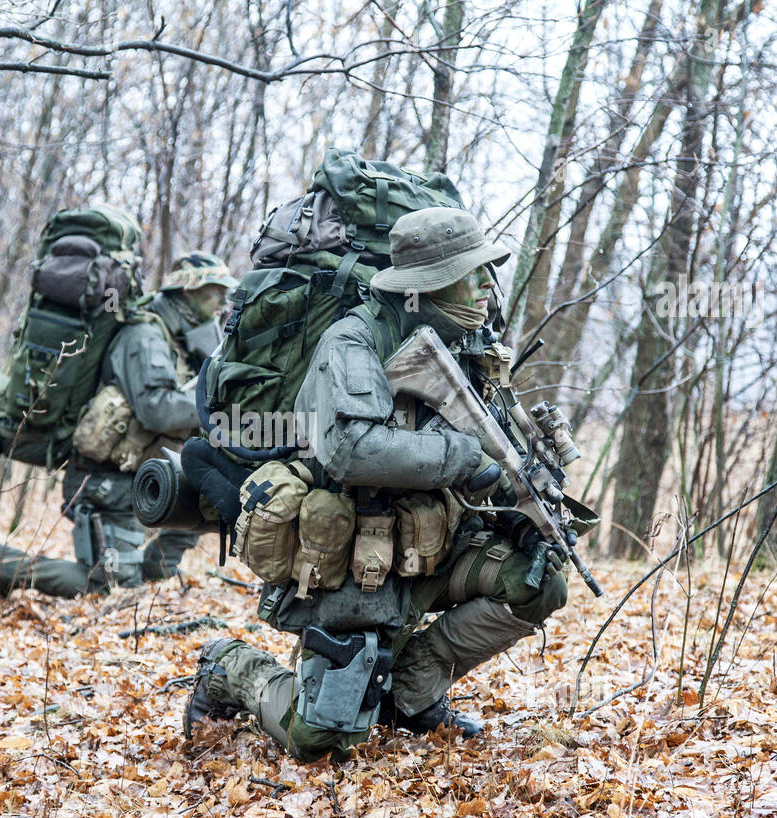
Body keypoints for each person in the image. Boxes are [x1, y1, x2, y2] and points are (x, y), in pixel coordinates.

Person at [183, 208, 571, 762]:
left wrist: (521, 514)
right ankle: (227, 667)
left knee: (536, 581)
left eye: (488, 271)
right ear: (430, 283)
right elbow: (350, 451)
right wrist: (461, 455)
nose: (488, 285)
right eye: (473, 272)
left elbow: (496, 459)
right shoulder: (353, 342)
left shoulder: (466, 345)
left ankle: (409, 696)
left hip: (432, 549)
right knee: (318, 741)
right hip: (352, 566)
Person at [0, 251, 238, 598]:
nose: (223, 299)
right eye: (216, 290)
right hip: (103, 481)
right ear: (188, 291)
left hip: (132, 476)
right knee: (105, 584)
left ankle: (144, 576)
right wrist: (214, 408)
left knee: (196, 513)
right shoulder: (145, 336)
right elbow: (156, 411)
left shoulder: (174, 338)